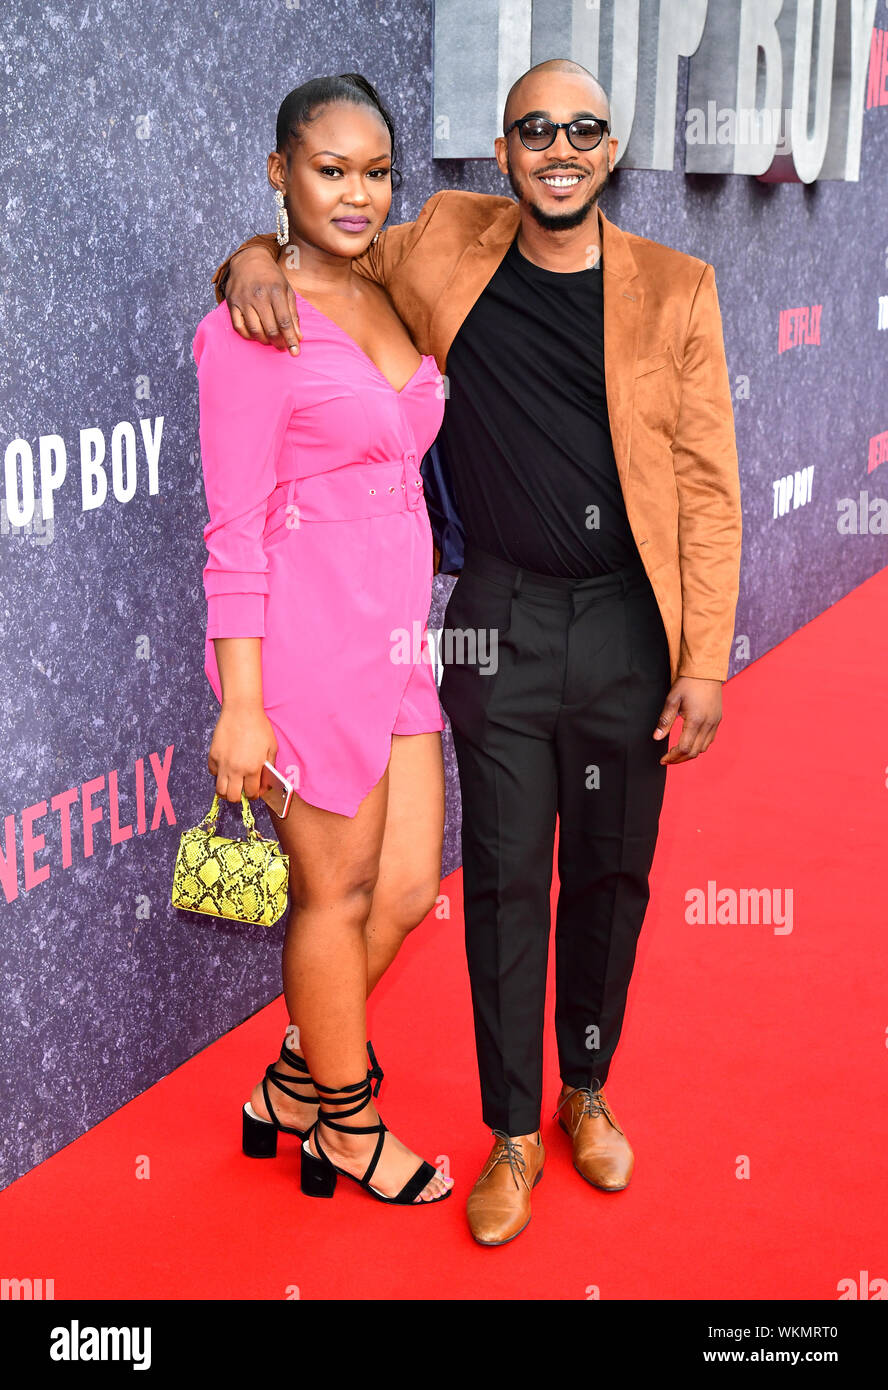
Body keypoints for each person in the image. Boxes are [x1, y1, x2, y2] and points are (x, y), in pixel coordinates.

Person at [211, 58, 742, 1244]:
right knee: (496, 881)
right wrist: (247, 258)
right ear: (498, 155)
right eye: (533, 129)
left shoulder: (680, 288)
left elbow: (709, 487)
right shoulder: (444, 243)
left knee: (610, 877)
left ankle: (584, 1092)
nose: (559, 147)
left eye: (584, 128)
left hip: (626, 624)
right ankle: (509, 1134)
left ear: (615, 149)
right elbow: (316, 250)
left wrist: (704, 655)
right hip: (491, 619)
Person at [194, 72, 453, 1206]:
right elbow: (232, 533)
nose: (357, 193)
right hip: (303, 647)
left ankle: (292, 1085)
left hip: (398, 637)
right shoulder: (252, 326)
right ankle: (345, 1126)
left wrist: (261, 247)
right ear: (280, 174)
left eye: (376, 171)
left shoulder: (394, 284)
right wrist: (240, 703)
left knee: (400, 891)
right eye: (329, 169)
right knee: (331, 898)